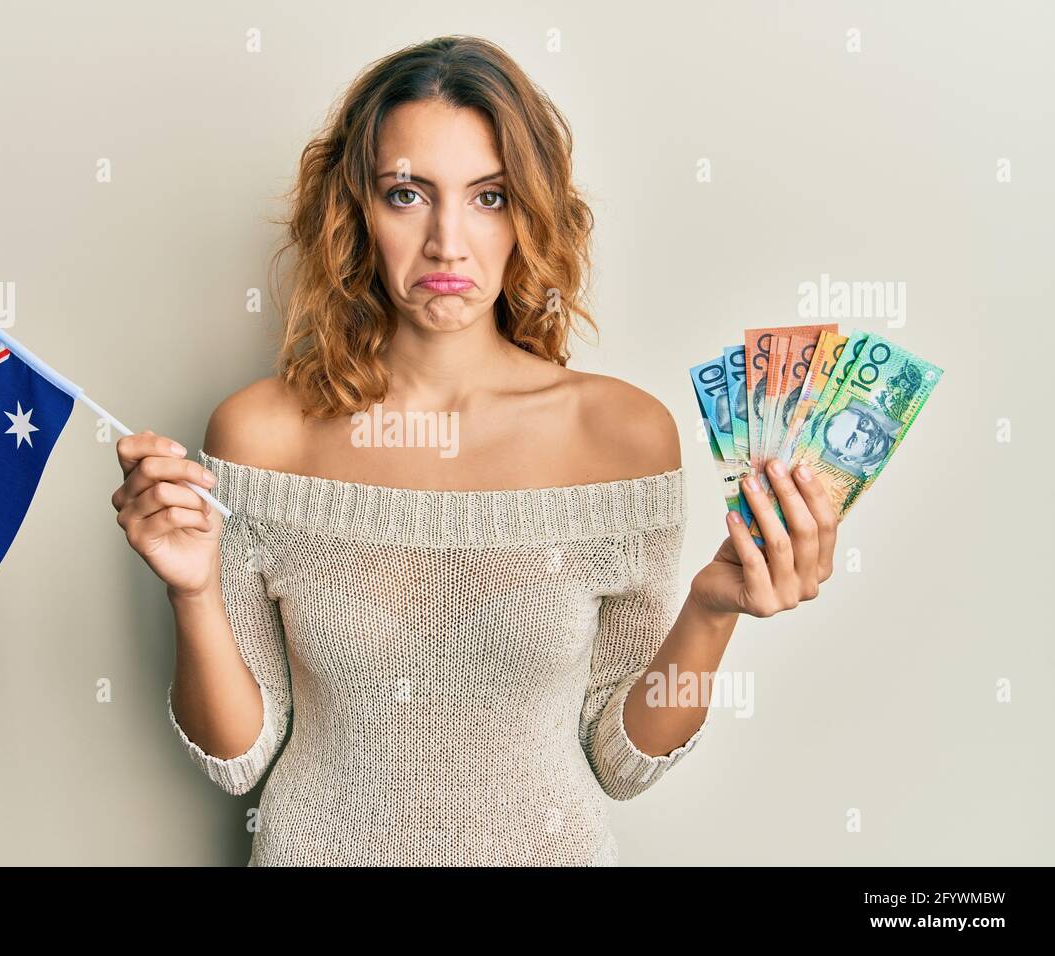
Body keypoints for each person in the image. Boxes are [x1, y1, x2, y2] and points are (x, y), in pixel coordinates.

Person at [110, 35, 837, 866]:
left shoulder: (621, 435)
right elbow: (240, 759)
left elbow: (620, 760)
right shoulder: (259, 433)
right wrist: (193, 592)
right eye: (408, 194)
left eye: (488, 197)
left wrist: (713, 610)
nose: (447, 242)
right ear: (357, 212)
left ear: (530, 214)